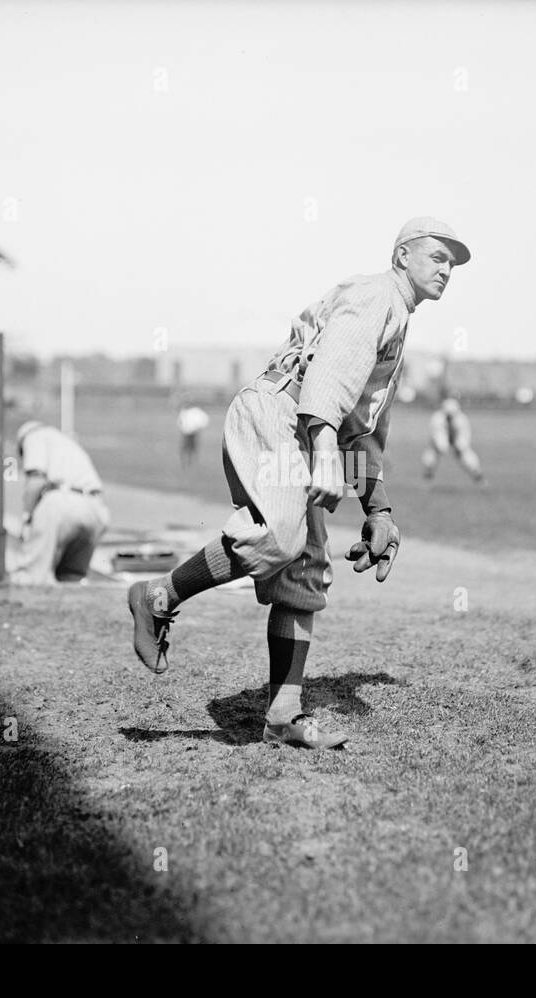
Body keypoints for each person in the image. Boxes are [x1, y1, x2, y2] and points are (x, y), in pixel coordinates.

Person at [127, 216, 471, 749]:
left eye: (453, 263)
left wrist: (379, 511)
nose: (447, 269)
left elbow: (365, 429)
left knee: (304, 571)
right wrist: (327, 451)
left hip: (306, 429)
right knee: (280, 536)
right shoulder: (376, 296)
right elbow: (329, 378)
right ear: (402, 256)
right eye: (437, 256)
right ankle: (156, 595)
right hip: (280, 414)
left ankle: (283, 716)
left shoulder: (398, 320)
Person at [9, 421, 110, 584]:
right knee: (71, 577)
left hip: (61, 503)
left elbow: (36, 480)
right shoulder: (66, 442)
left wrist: (27, 518)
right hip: (97, 510)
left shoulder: (33, 436)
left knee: (31, 576)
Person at [421, 394, 486, 487]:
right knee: (430, 458)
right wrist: (443, 445)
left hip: (456, 442)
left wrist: (459, 446)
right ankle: (427, 482)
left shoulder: (462, 420)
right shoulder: (437, 419)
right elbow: (437, 437)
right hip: (438, 444)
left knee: (469, 460)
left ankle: (481, 481)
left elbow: (464, 436)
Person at [176, 400, 210, 466]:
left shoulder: (195, 412)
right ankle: (185, 462)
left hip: (193, 433)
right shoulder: (184, 412)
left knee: (192, 448)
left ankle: (191, 462)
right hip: (186, 433)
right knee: (185, 448)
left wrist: (198, 427)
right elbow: (179, 422)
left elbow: (204, 421)